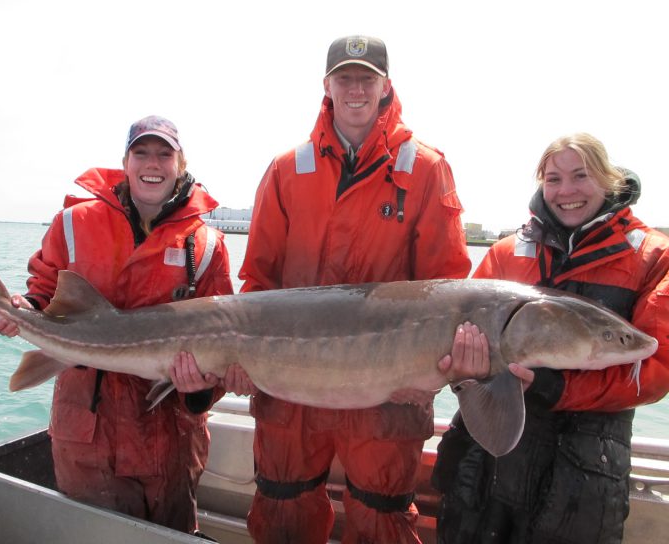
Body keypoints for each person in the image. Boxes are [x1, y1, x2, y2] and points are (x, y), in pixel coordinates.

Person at [238, 35, 482, 544]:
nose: (355, 89)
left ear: (386, 85)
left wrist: (435, 372)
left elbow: (449, 293)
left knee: (383, 522)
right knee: (282, 516)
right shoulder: (286, 169)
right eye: (344, 78)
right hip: (290, 390)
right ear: (326, 86)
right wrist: (241, 361)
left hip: (389, 393)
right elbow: (258, 285)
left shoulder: (427, 168)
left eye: (366, 78)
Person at [0, 115, 234, 535]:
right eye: (142, 153)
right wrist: (23, 308)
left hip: (168, 440)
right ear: (125, 161)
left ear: (180, 163)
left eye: (163, 154)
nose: (152, 163)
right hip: (89, 432)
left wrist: (199, 391)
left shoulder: (207, 245)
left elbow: (227, 345)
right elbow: (45, 288)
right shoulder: (74, 222)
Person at [433, 132, 669, 544]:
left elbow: (655, 366)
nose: (567, 191)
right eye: (553, 179)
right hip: (488, 459)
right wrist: (465, 374)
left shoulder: (653, 257)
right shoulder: (507, 252)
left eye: (581, 176)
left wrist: (555, 387)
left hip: (581, 472)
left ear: (608, 180)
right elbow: (460, 344)